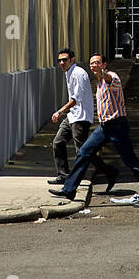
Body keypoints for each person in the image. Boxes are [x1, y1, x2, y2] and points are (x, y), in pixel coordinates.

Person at [50, 53, 139, 207]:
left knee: (131, 162)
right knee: (84, 152)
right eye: (91, 63)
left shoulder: (111, 77)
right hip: (104, 127)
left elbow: (109, 79)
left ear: (104, 64)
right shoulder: (99, 82)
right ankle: (69, 189)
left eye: (97, 63)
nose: (94, 65)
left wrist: (102, 73)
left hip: (117, 126)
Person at [49, 49, 117, 192]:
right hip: (72, 116)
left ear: (72, 60)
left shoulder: (78, 73)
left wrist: (60, 112)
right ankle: (63, 175)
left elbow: (76, 99)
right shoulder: (69, 73)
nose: (62, 63)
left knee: (83, 151)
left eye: (65, 60)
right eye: (59, 60)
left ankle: (109, 171)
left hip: (81, 117)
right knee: (58, 142)